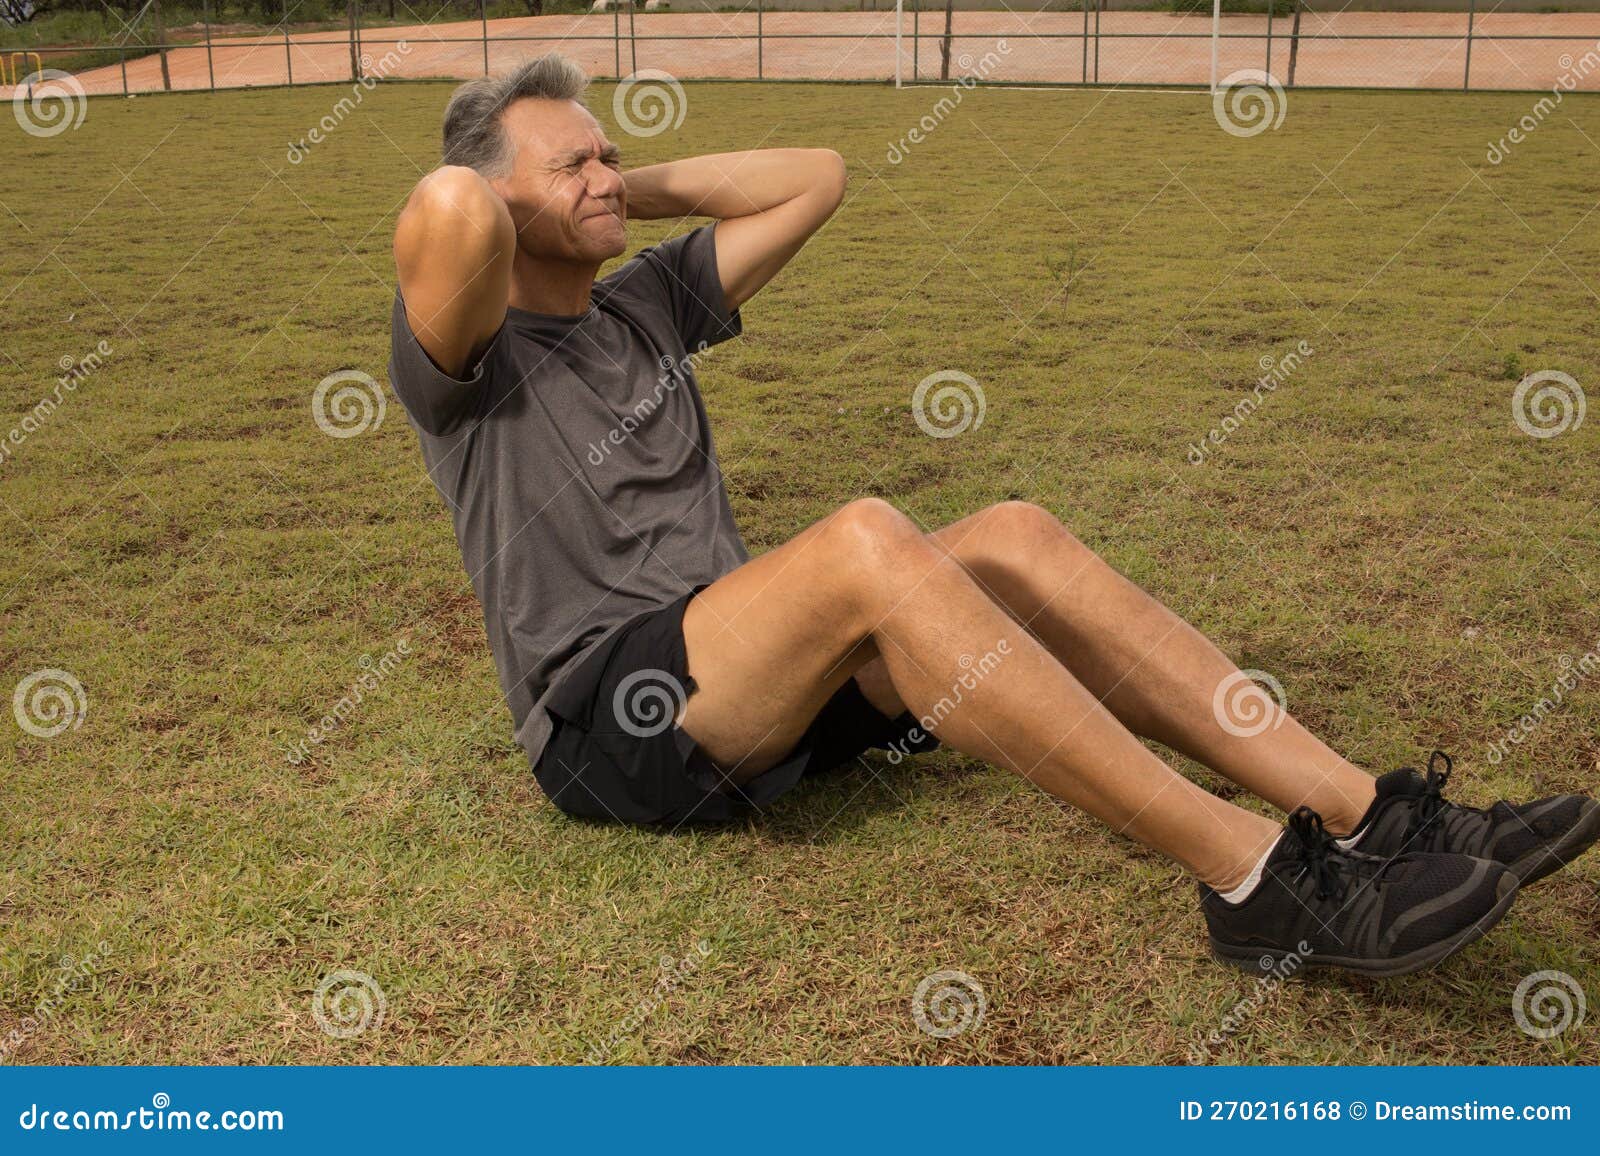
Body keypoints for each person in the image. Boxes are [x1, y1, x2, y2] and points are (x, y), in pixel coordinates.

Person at [388, 53, 1599, 976]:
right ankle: (1253, 881)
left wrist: (601, 197)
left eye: (610, 158)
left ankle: (1368, 812)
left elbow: (816, 178)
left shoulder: (642, 302)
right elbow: (447, 208)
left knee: (1010, 530)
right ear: (504, 209)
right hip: (614, 724)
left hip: (759, 693)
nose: (605, 176)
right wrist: (524, 201)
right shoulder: (467, 355)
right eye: (573, 165)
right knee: (867, 535)